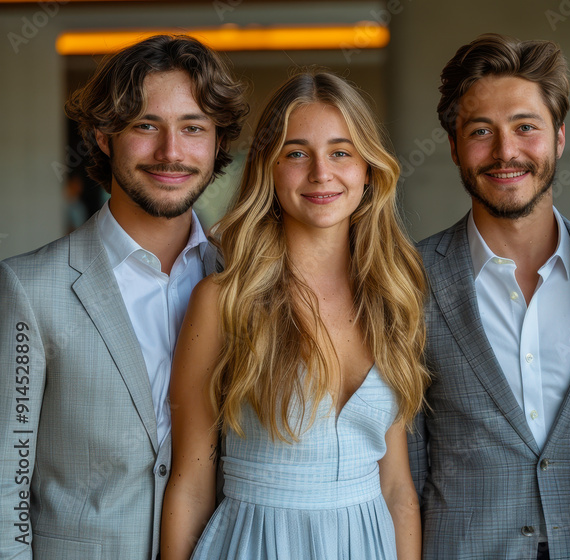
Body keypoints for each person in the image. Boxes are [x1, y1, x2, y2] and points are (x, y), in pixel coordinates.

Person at [160, 71, 427, 560]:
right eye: (297, 153)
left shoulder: (392, 299)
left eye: (341, 153)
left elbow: (396, 488)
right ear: (269, 169)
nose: (321, 173)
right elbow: (191, 485)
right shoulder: (222, 301)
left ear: (368, 171)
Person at [0, 35, 247, 559]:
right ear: (104, 136)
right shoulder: (29, 288)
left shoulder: (246, 281)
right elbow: (4, 484)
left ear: (218, 141)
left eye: (193, 128)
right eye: (145, 126)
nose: (171, 152)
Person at [406, 34, 570, 559]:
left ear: (559, 137)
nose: (505, 152)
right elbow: (403, 465)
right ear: (453, 146)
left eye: (525, 127)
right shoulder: (407, 279)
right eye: (481, 131)